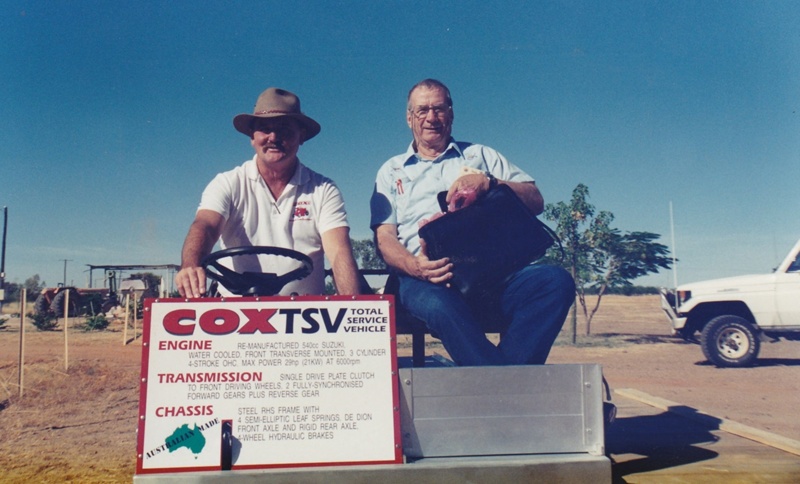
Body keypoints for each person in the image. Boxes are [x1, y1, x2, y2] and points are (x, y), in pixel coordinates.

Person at [370, 79, 574, 366]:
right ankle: (509, 385)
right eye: (422, 110)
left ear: (451, 113)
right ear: (409, 118)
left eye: (439, 109)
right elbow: (385, 238)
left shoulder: (482, 156)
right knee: (440, 305)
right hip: (425, 280)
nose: (431, 118)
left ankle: (497, 383)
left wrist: (491, 182)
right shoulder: (391, 171)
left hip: (492, 275)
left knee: (555, 282)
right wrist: (416, 267)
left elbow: (536, 201)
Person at [176, 87, 360, 298]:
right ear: (252, 137)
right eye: (264, 129)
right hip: (232, 311)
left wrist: (352, 305)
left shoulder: (323, 189)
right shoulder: (227, 183)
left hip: (305, 313)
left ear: (301, 136)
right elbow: (206, 226)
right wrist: (190, 265)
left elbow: (338, 252)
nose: (273, 137)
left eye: (284, 129)